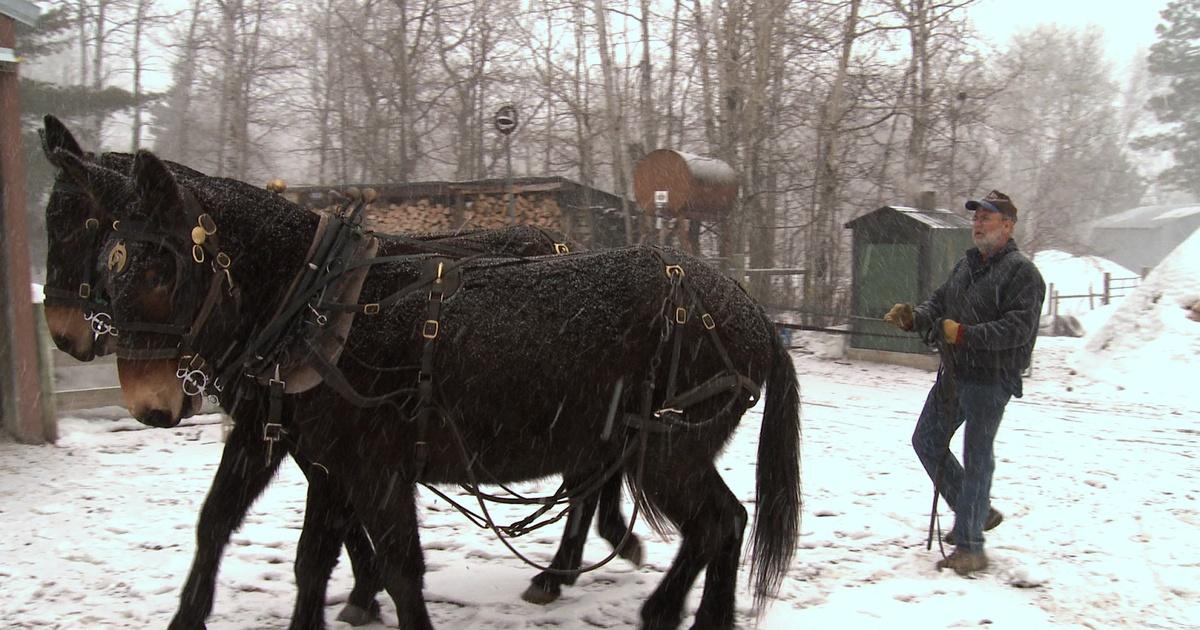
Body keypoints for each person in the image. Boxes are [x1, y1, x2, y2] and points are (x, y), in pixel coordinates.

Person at [883, 190, 1046, 575]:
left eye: (986, 218)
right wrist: (915, 317)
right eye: (975, 217)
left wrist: (964, 335)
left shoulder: (1023, 273)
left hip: (990, 380)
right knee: (926, 440)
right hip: (955, 375)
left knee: (977, 458)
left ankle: (971, 546)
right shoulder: (967, 265)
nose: (977, 224)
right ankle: (975, 512)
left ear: (1007, 225)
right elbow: (940, 304)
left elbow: (1018, 329)